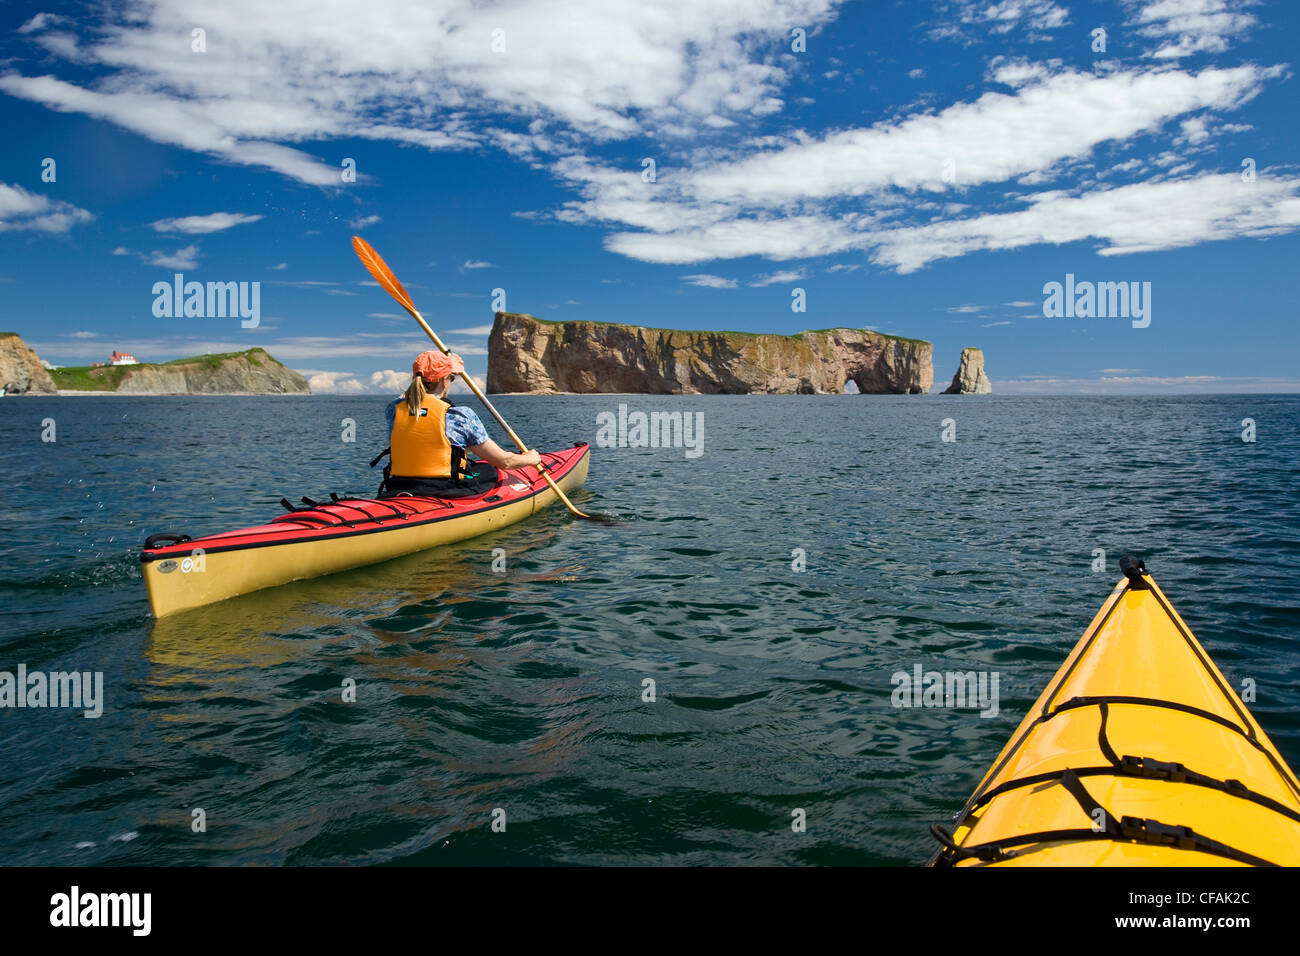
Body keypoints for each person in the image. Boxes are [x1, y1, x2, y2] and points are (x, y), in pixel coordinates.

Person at [380, 350, 541, 497]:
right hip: (443, 489)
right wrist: (531, 458)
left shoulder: (393, 410)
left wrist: (446, 365)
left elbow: (409, 394)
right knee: (489, 469)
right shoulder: (459, 416)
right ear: (444, 381)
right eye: (452, 378)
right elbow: (506, 462)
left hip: (399, 485)